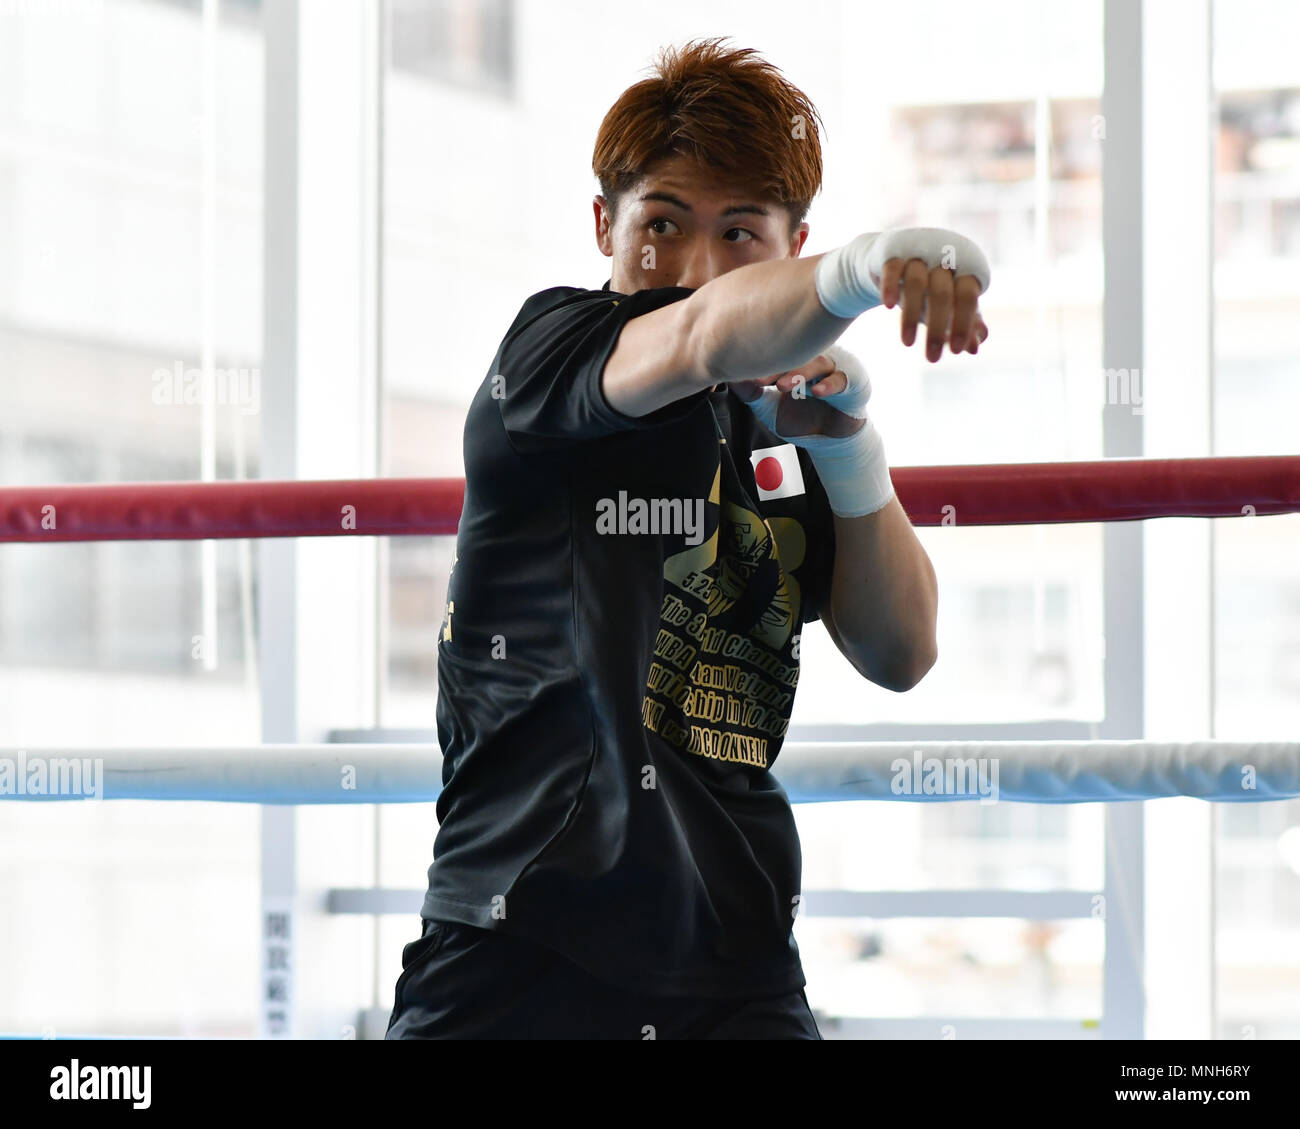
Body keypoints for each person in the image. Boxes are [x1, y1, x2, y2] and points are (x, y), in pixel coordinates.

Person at [386, 37, 990, 1040]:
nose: (696, 267)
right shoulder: (556, 353)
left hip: (737, 953)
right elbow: (703, 332)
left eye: (741, 233)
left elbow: (902, 653)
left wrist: (850, 457)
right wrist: (867, 268)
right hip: (519, 939)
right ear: (603, 226)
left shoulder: (785, 423)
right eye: (662, 224)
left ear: (791, 243)